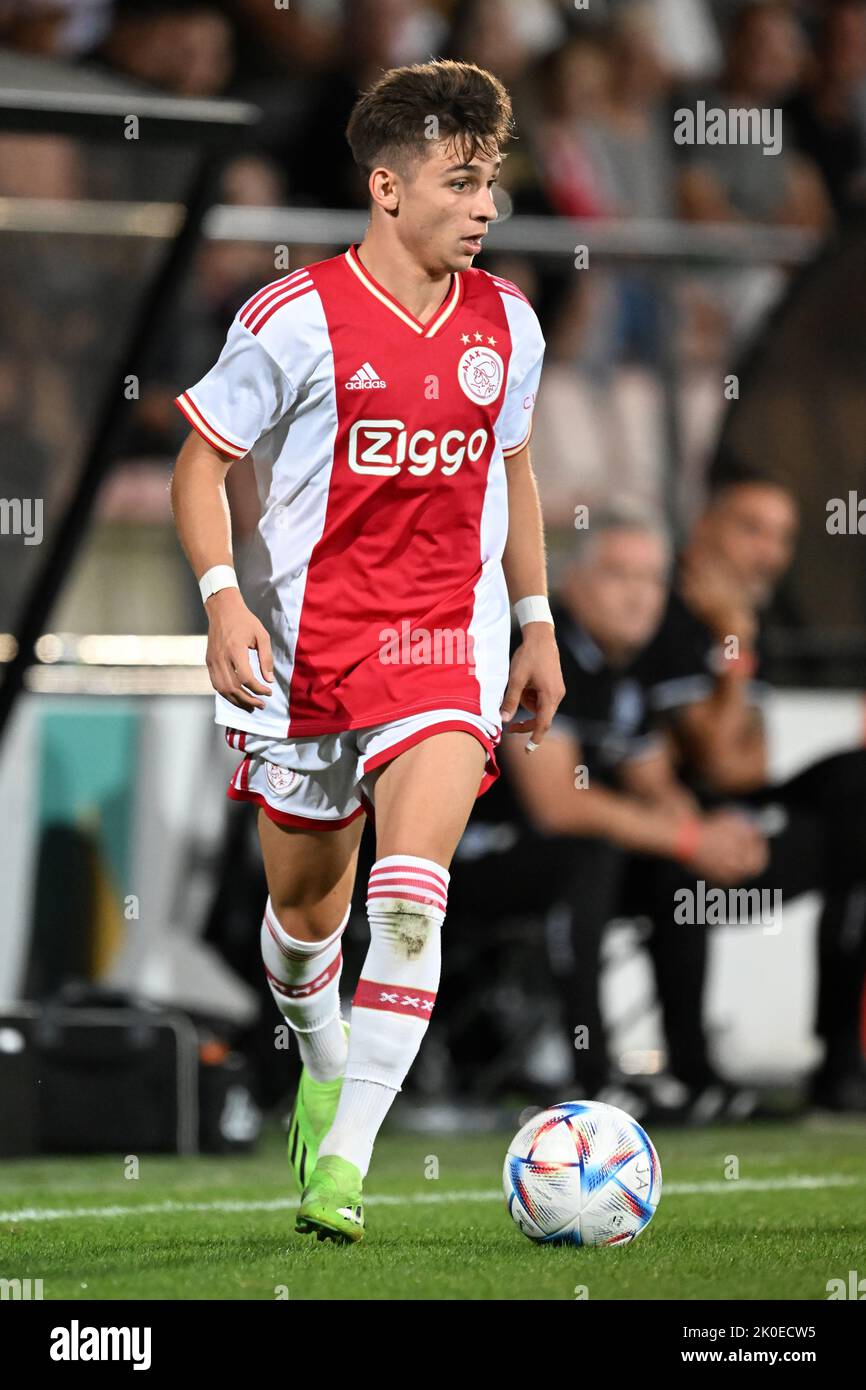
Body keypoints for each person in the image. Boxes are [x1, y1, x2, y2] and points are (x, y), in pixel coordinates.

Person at [170, 59, 565, 1243]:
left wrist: (535, 620)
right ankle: (319, 1051)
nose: (484, 206)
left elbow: (512, 471)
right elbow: (201, 462)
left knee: (409, 903)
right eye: (460, 181)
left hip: (444, 641)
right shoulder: (293, 317)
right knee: (305, 924)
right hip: (305, 652)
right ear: (386, 187)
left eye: (491, 181)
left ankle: (342, 1162)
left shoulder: (510, 323)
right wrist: (222, 599)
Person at [498, 504, 768, 1115]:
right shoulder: (537, 651)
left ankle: (692, 1076)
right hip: (479, 858)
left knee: (678, 873)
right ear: (570, 582)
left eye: (653, 579)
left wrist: (707, 834)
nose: (643, 596)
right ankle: (590, 1081)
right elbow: (557, 805)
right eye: (621, 575)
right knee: (589, 857)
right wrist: (687, 836)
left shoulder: (628, 668)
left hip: (573, 865)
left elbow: (656, 785)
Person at [637, 474, 866, 1112]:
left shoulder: (733, 614)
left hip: (739, 813)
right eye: (751, 529)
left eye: (783, 538)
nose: (769, 552)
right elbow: (718, 760)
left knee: (856, 789)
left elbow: (751, 761)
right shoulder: (675, 613)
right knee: (681, 880)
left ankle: (841, 1054)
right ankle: (697, 1075)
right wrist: (733, 640)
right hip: (670, 824)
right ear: (704, 525)